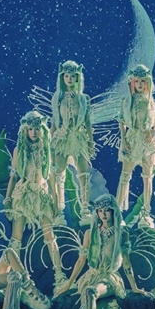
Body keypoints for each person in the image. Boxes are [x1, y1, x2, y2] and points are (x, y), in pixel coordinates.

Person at [53, 194, 148, 309]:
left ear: (114, 212)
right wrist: (68, 284)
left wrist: (135, 287)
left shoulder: (122, 233)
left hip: (109, 279)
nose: (104, 214)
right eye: (100, 211)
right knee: (83, 306)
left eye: (107, 210)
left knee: (90, 293)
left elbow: (126, 262)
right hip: (91, 276)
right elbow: (81, 260)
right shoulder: (90, 234)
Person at [3, 110, 66, 295]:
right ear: (25, 130)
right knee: (16, 237)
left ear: (42, 130)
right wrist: (7, 198)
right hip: (22, 194)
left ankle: (59, 275)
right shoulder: (19, 150)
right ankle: (12, 275)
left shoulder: (47, 149)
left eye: (37, 129)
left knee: (49, 235)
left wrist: (56, 199)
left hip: (41, 194)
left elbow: (52, 177)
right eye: (30, 129)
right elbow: (14, 176)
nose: (33, 132)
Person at [116, 64, 155, 227]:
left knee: (147, 178)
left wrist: (153, 132)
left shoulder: (152, 102)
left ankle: (146, 213)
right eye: (137, 81)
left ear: (148, 82)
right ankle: (118, 212)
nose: (140, 84)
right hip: (132, 138)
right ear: (132, 82)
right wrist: (123, 141)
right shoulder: (127, 101)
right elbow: (122, 123)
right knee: (125, 176)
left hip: (147, 142)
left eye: (143, 81)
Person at [50, 60, 96, 225]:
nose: (69, 79)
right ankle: (59, 212)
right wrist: (50, 141)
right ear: (62, 78)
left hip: (78, 138)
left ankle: (85, 211)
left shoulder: (83, 99)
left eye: (72, 76)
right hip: (61, 137)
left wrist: (90, 142)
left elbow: (88, 122)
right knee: (58, 174)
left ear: (77, 78)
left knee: (83, 174)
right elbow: (55, 121)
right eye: (66, 76)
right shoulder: (58, 98)